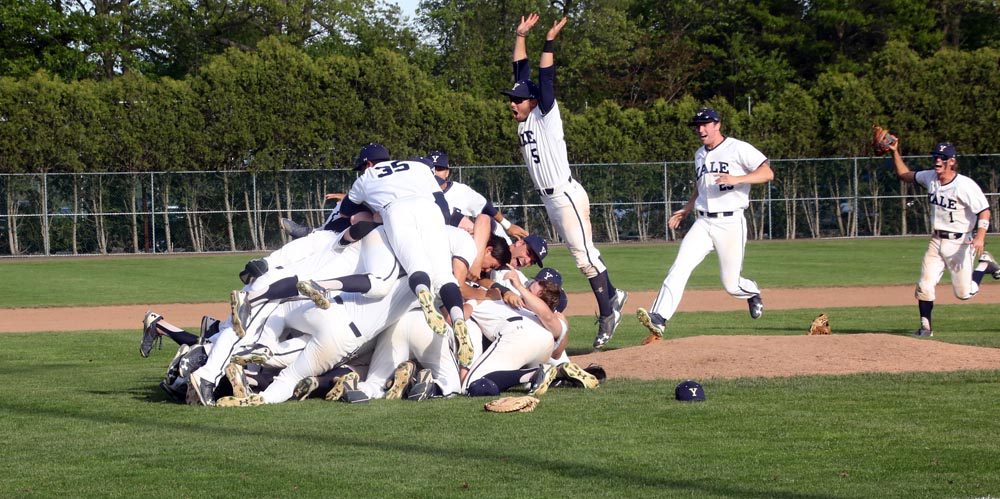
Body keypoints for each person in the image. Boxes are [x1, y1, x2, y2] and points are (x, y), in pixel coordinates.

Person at [502, 13, 627, 349]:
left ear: (533, 102)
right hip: (551, 199)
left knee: (585, 257)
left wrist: (549, 41)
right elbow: (521, 74)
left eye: (517, 100)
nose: (512, 104)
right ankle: (613, 296)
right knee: (583, 254)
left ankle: (608, 312)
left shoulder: (544, 115)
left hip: (565, 195)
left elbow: (544, 78)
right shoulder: (525, 117)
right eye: (511, 99)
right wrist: (520, 36)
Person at [636, 107, 773, 343]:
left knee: (731, 285)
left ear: (717, 124)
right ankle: (659, 317)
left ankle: (752, 291)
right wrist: (686, 209)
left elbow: (767, 172)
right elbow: (701, 187)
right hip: (703, 221)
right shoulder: (699, 154)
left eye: (706, 124)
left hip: (730, 222)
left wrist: (737, 179)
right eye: (698, 125)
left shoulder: (737, 148)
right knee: (679, 267)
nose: (701, 129)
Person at [888, 140, 993, 336]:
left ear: (952, 161)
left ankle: (984, 265)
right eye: (935, 156)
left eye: (942, 157)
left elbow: (984, 211)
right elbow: (904, 175)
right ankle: (925, 327)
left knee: (964, 294)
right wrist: (894, 151)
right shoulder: (930, 178)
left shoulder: (965, 185)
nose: (937, 160)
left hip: (960, 243)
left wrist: (980, 237)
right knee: (924, 285)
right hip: (936, 241)